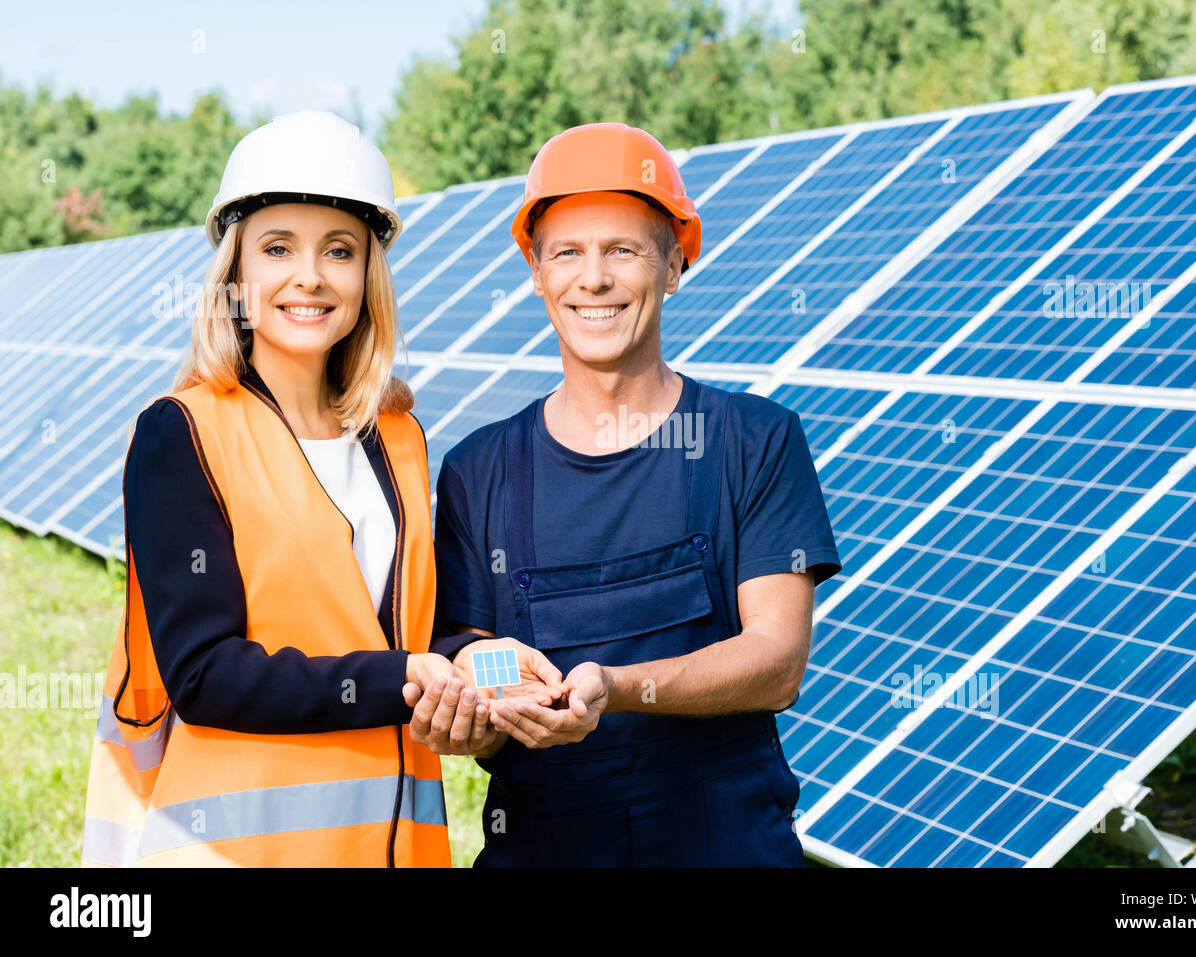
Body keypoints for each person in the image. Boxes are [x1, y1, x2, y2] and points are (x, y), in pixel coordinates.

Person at [80, 110, 557, 868]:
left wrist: (476, 660)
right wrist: (404, 676)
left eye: (339, 250)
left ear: (368, 275)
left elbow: (397, 633)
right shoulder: (183, 432)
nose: (310, 276)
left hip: (396, 850)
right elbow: (206, 672)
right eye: (278, 248)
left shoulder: (398, 436)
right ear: (236, 272)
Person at [426, 122, 843, 866]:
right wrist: (494, 690)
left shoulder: (754, 440)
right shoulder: (476, 469)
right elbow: (463, 650)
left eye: (622, 250)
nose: (594, 279)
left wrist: (613, 687)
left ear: (676, 263)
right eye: (567, 253)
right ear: (535, 270)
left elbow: (778, 661)